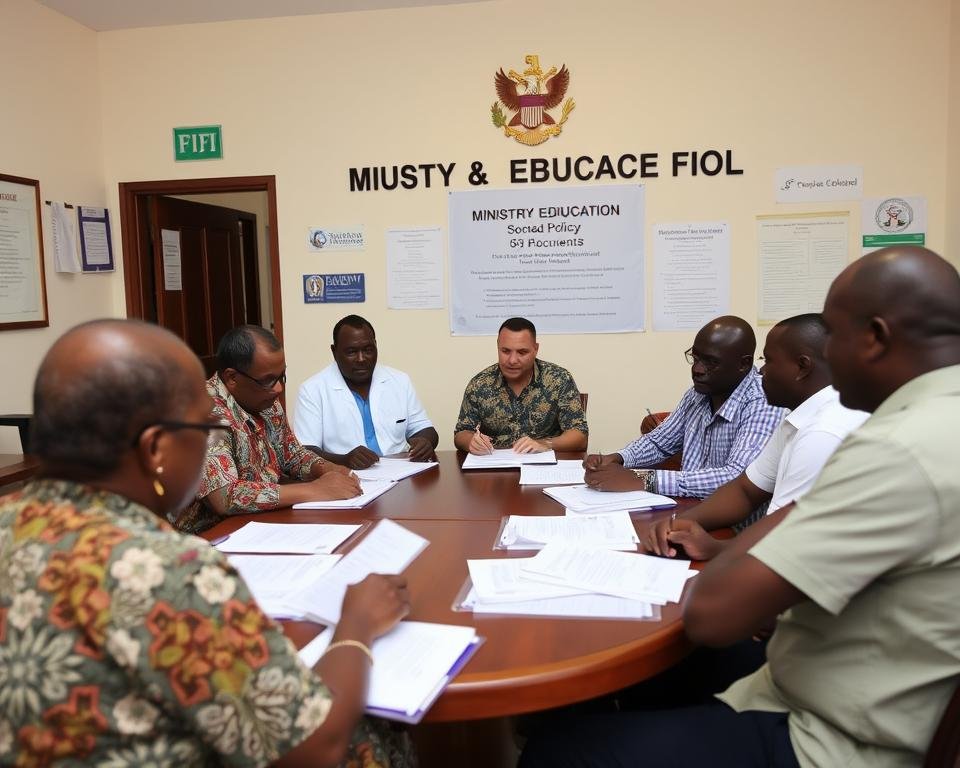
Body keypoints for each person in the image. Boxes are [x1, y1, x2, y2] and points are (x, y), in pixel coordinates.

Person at [521, 245, 960, 768]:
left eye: (835, 336)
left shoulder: (894, 446)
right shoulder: (929, 421)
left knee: (559, 747)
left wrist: (731, 543)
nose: (827, 358)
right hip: (819, 683)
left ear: (875, 338)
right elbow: (749, 493)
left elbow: (711, 616)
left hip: (827, 734)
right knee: (643, 684)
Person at [0, 318, 414, 767]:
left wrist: (323, 473)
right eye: (201, 428)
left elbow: (292, 453)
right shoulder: (171, 573)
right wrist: (356, 625)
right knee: (374, 728)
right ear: (156, 450)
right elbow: (312, 746)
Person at [643, 312, 868, 559]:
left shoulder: (823, 433)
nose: (760, 372)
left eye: (768, 361)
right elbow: (745, 490)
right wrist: (677, 523)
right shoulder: (798, 419)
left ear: (802, 367)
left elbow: (787, 545)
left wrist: (717, 549)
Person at [173, 325, 360, 534]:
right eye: (268, 380)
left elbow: (292, 455)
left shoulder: (265, 400)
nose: (278, 388)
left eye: (282, 376)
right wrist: (315, 489)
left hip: (258, 523)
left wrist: (325, 468)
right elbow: (225, 497)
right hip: (202, 538)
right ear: (232, 378)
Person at [583, 315, 784, 498]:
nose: (697, 370)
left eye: (711, 362)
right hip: (692, 511)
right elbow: (658, 443)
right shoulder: (697, 394)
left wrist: (643, 479)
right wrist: (618, 458)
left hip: (737, 530)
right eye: (695, 358)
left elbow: (737, 477)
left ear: (744, 364)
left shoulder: (764, 401)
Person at [294, 315, 438, 469]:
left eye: (368, 350)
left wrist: (425, 442)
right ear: (334, 352)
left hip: (401, 472)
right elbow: (305, 452)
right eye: (351, 352)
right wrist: (344, 460)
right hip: (345, 476)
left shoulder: (399, 380)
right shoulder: (312, 390)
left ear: (376, 345)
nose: (361, 359)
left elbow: (425, 429)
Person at [453, 317, 588, 454]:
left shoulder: (558, 380)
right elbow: (461, 433)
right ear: (498, 346)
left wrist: (545, 443)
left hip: (543, 466)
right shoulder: (479, 384)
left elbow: (579, 435)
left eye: (522, 352)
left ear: (535, 349)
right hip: (495, 468)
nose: (512, 360)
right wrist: (471, 442)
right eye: (505, 351)